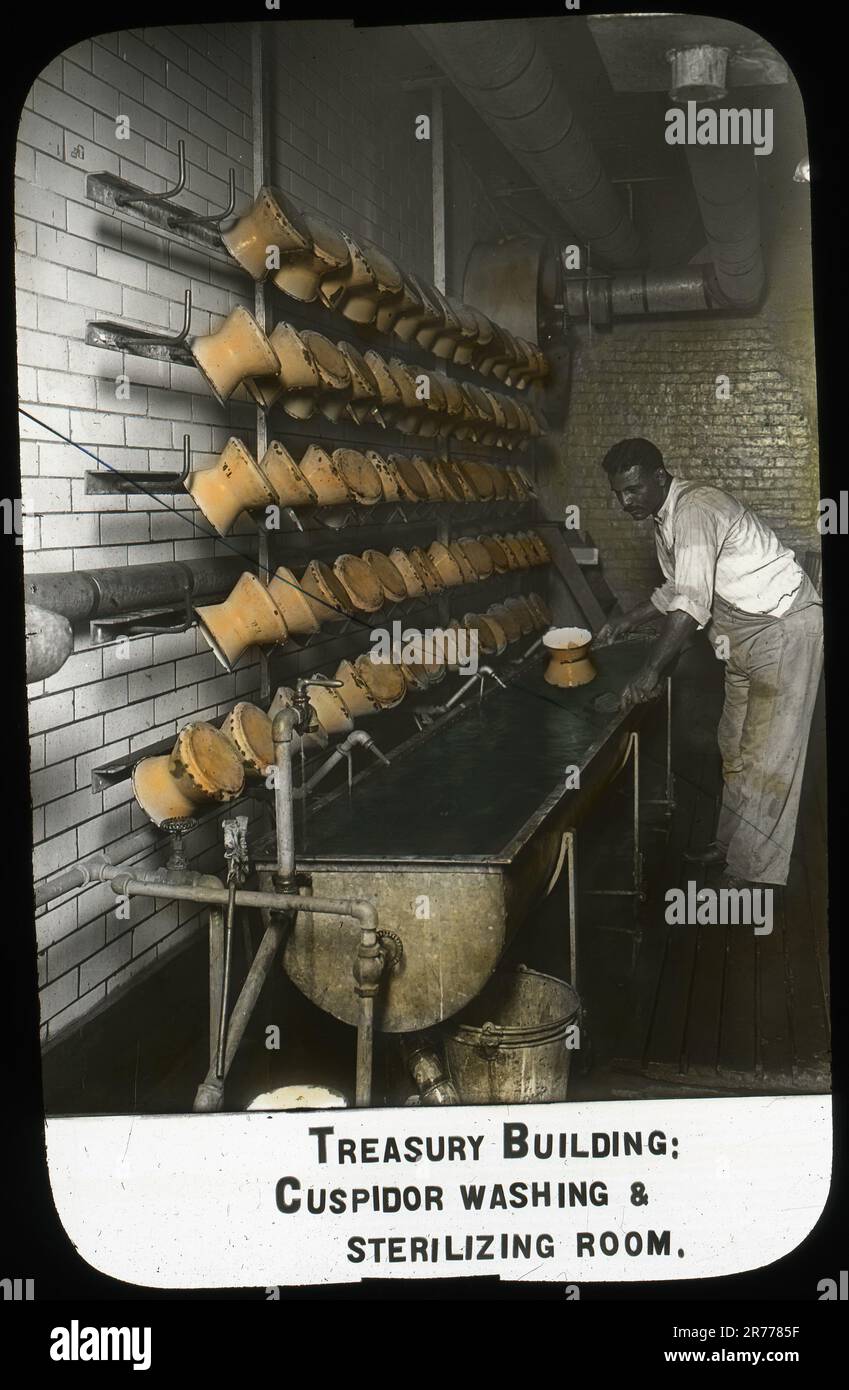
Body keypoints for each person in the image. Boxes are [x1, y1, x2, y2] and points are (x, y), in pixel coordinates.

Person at [595, 437, 823, 888]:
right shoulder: (666, 518)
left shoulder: (695, 509)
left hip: (782, 627)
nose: (625, 502)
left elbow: (692, 606)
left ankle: (755, 875)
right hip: (741, 636)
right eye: (620, 493)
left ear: (661, 478)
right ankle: (732, 844)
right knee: (733, 744)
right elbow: (679, 587)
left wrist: (649, 671)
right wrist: (626, 620)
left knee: (767, 757)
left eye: (634, 490)